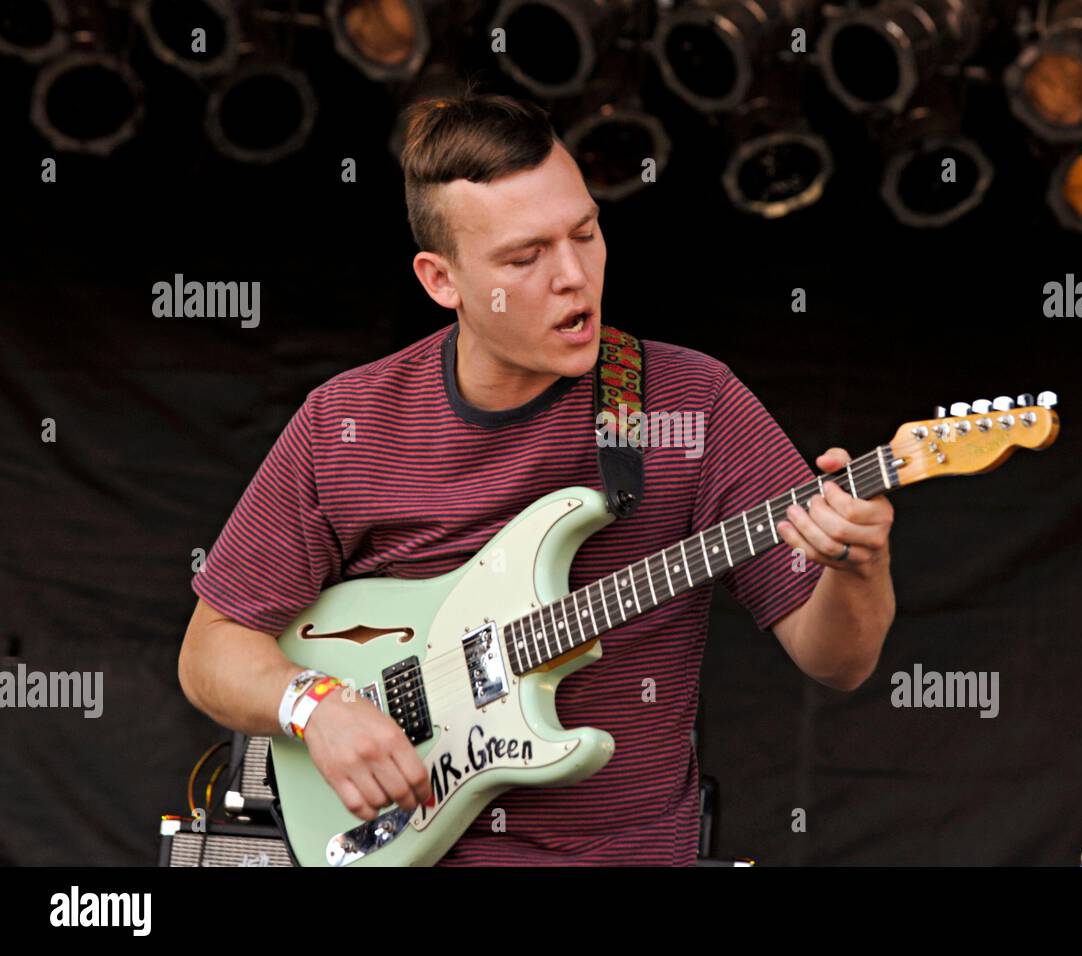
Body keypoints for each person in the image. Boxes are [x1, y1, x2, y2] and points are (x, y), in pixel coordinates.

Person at [177, 91, 896, 865]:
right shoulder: (347, 422)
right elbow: (211, 649)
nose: (573, 276)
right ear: (441, 280)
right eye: (525, 258)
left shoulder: (693, 404)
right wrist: (316, 705)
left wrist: (859, 569)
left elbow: (839, 660)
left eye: (585, 234)